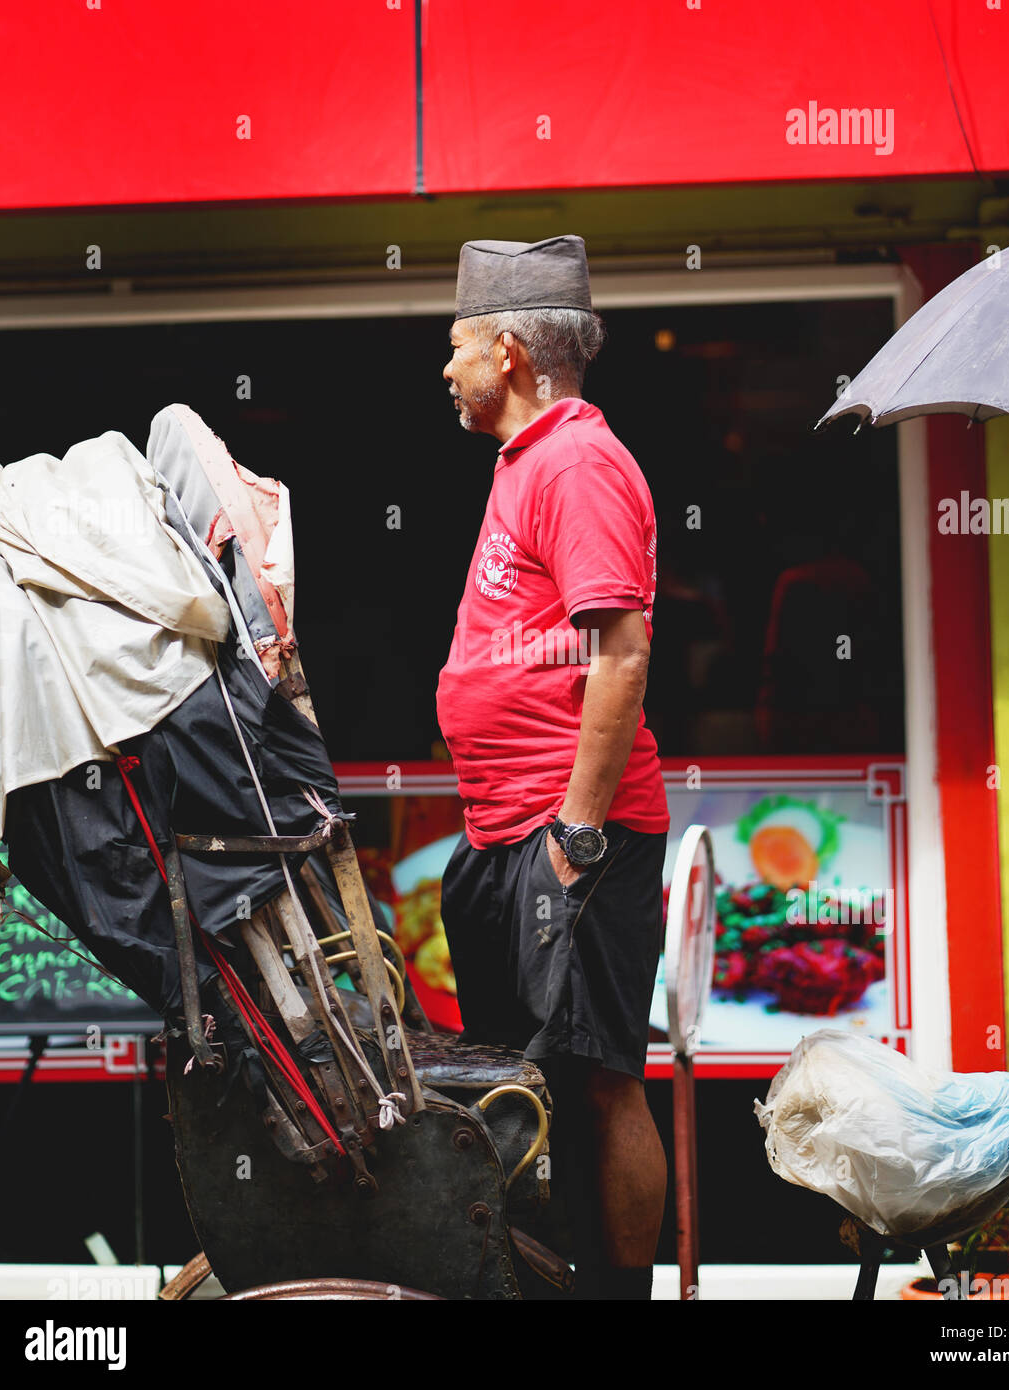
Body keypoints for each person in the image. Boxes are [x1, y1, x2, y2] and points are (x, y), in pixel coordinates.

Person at [436, 235, 671, 1300]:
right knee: (530, 1085)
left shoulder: (578, 462)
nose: (447, 369)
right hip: (509, 834)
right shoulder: (529, 460)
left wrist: (576, 833)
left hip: (572, 837)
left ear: (512, 351)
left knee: (600, 1081)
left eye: (458, 346)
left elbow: (620, 653)